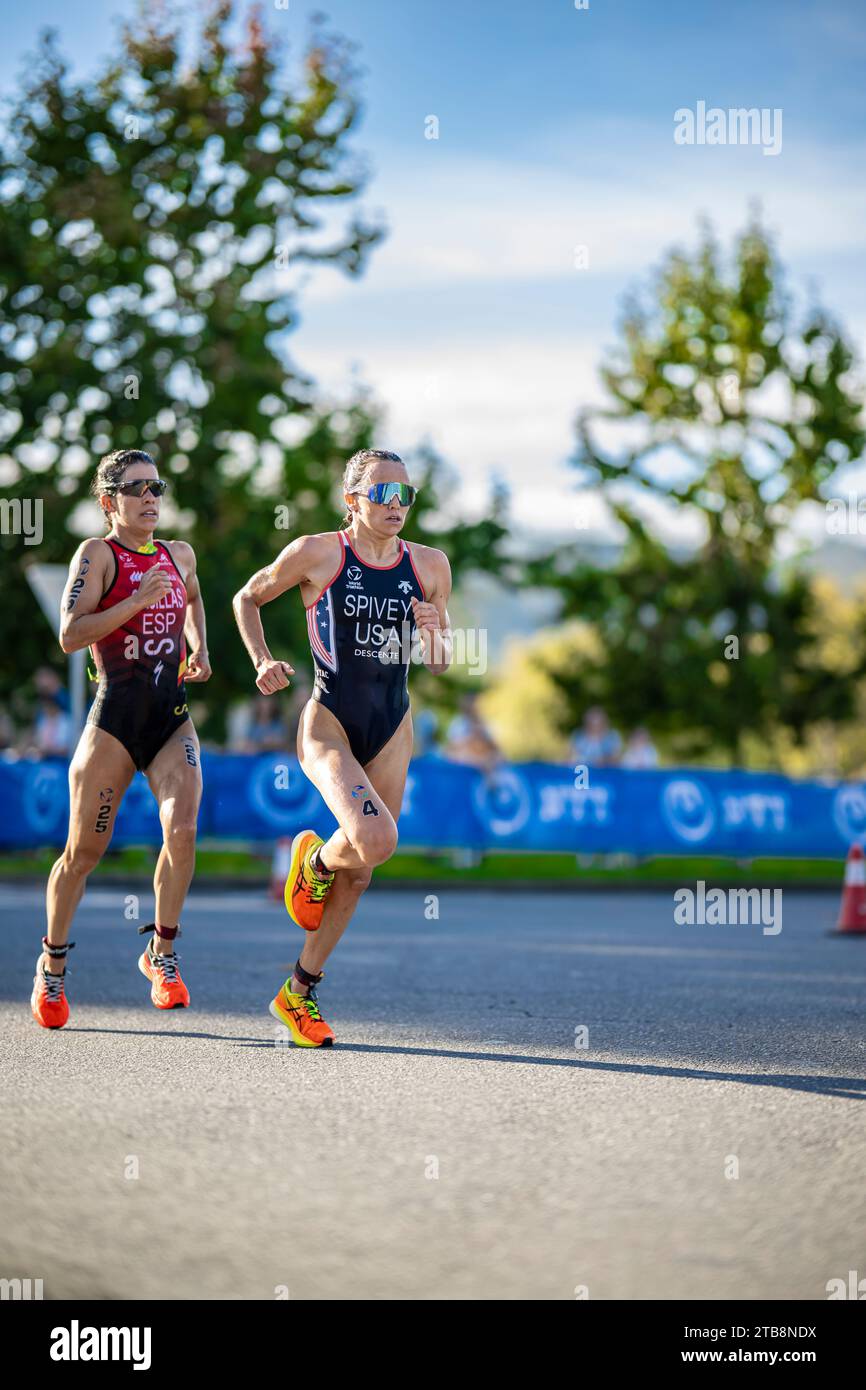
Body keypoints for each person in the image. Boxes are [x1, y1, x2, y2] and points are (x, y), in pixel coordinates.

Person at [233, 447, 452, 1046]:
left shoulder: (431, 565)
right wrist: (261, 660)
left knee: (362, 873)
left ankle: (297, 992)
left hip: (393, 725)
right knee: (376, 838)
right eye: (382, 493)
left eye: (404, 494)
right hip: (329, 721)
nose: (395, 505)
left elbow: (440, 661)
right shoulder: (319, 552)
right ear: (351, 500)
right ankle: (315, 865)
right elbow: (247, 597)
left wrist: (435, 635)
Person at [30, 449, 211, 1029]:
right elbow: (69, 634)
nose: (151, 497)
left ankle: (162, 953)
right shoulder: (98, 555)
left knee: (182, 830)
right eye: (137, 489)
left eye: (156, 487)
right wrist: (135, 602)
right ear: (110, 501)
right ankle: (53, 967)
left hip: (169, 718)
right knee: (83, 854)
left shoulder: (178, 553)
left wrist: (199, 646)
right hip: (113, 722)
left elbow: (194, 596)